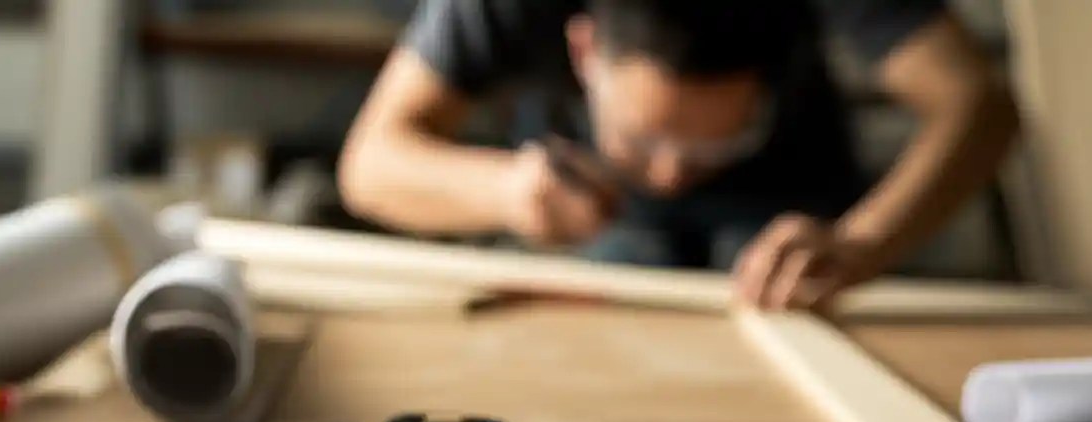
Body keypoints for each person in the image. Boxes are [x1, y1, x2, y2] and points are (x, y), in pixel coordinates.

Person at [338, 0, 1019, 310]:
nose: (669, 174)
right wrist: (506, 193)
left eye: (715, 140)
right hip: (591, 225)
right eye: (641, 141)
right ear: (585, 53)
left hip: (791, 232)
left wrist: (865, 240)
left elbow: (981, 105)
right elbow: (370, 163)